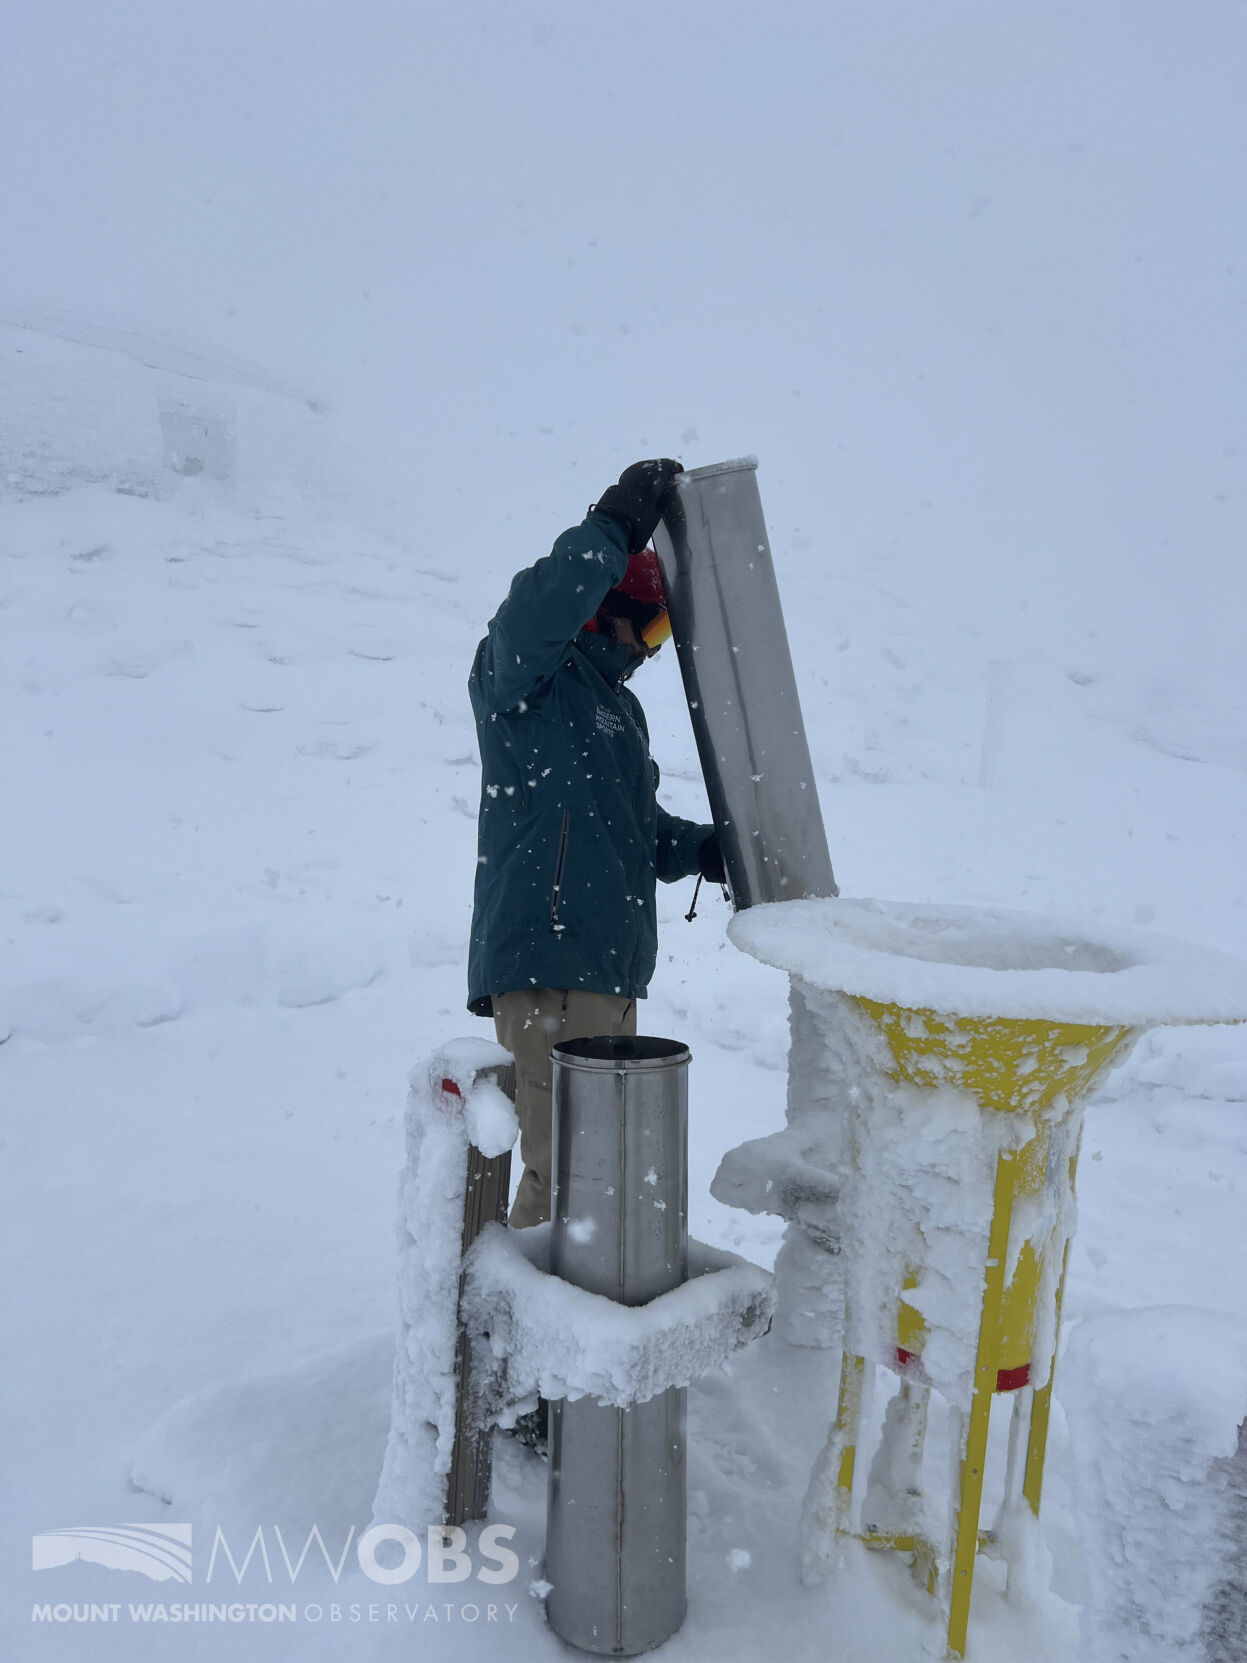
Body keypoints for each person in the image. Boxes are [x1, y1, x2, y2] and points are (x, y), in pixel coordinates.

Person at [468, 459, 725, 1229]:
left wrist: (704, 851)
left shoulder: (621, 714)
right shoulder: (529, 680)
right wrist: (612, 526)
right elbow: (537, 606)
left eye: (662, 631)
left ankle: (577, 1315)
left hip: (607, 972)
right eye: (646, 623)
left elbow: (633, 833)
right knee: (566, 1180)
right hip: (549, 960)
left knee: (599, 1176)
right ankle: (527, 1335)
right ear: (596, 609)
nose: (649, 648)